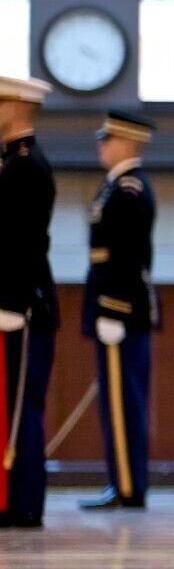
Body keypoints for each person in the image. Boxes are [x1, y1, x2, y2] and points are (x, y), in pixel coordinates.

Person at [80, 111, 161, 512]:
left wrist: (112, 308)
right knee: (118, 402)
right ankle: (122, 481)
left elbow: (126, 257)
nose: (102, 145)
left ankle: (128, 485)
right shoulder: (116, 186)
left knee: (124, 403)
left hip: (122, 311)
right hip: (117, 308)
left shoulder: (129, 189)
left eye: (108, 139)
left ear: (128, 142)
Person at [0, 76, 58, 529]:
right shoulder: (14, 163)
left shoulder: (25, 166)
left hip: (24, 304)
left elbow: (20, 244)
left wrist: (14, 301)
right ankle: (15, 500)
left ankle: (22, 504)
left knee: (22, 410)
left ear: (16, 107)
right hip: (19, 302)